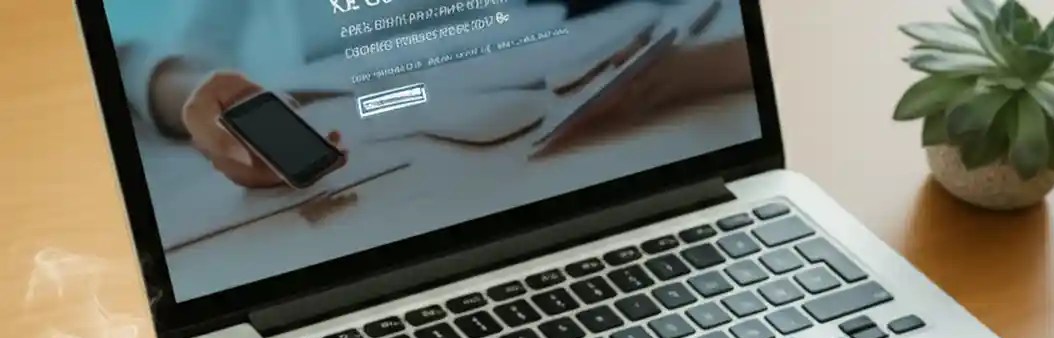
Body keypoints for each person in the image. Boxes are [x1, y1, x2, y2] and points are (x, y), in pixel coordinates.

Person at [118, 0, 753, 188]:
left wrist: (689, 71)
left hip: (574, 135)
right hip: (380, 160)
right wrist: (195, 95)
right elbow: (147, 60)